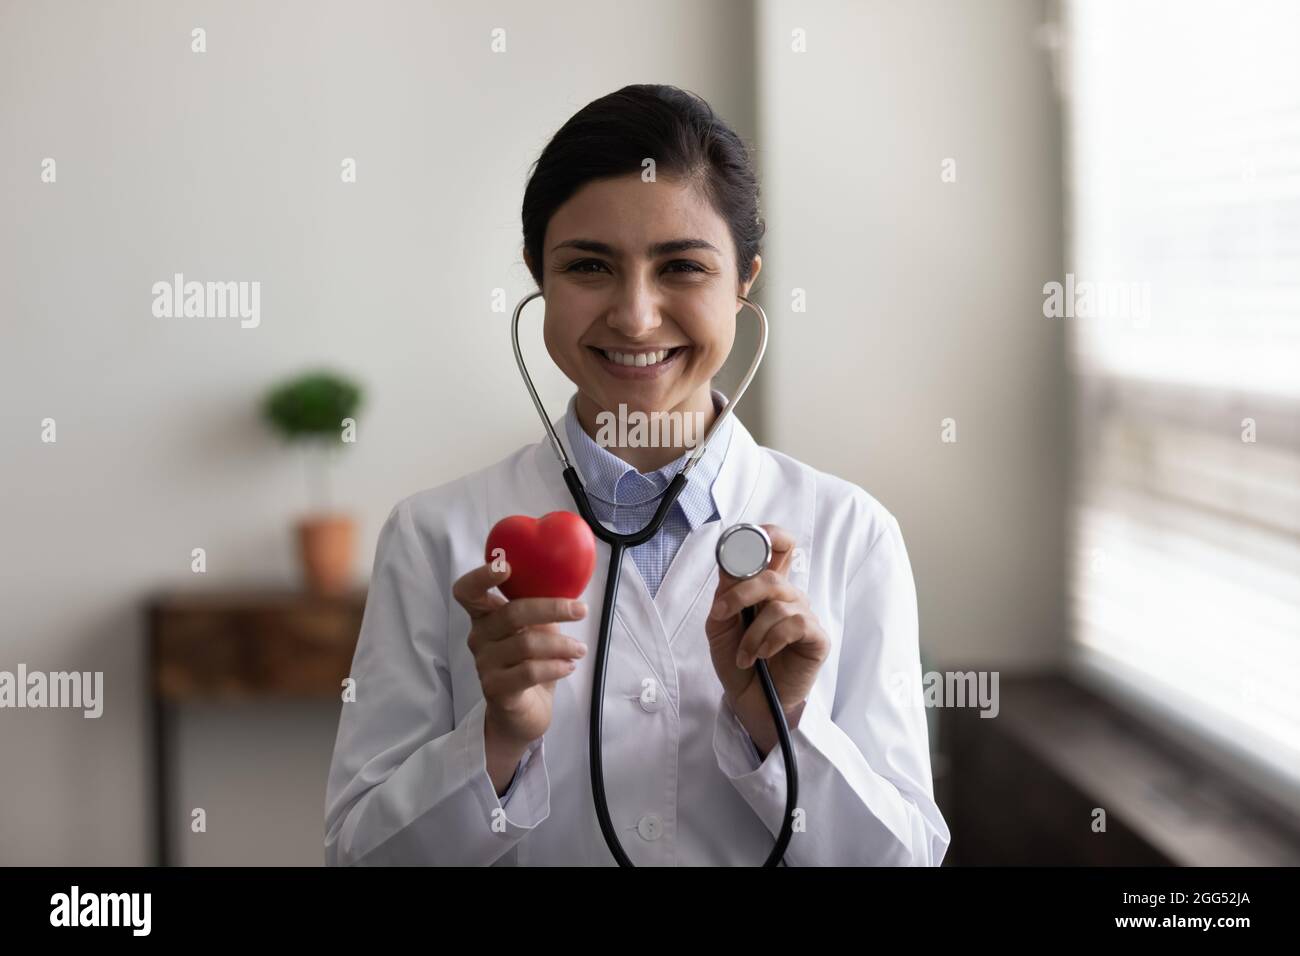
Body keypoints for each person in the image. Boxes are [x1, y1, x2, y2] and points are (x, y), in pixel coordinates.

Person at [324, 84, 950, 866]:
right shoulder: (433, 535)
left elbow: (904, 859)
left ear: (744, 278)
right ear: (537, 275)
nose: (636, 316)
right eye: (589, 265)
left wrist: (783, 729)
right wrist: (496, 740)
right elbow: (361, 856)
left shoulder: (853, 532)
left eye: (682, 267)